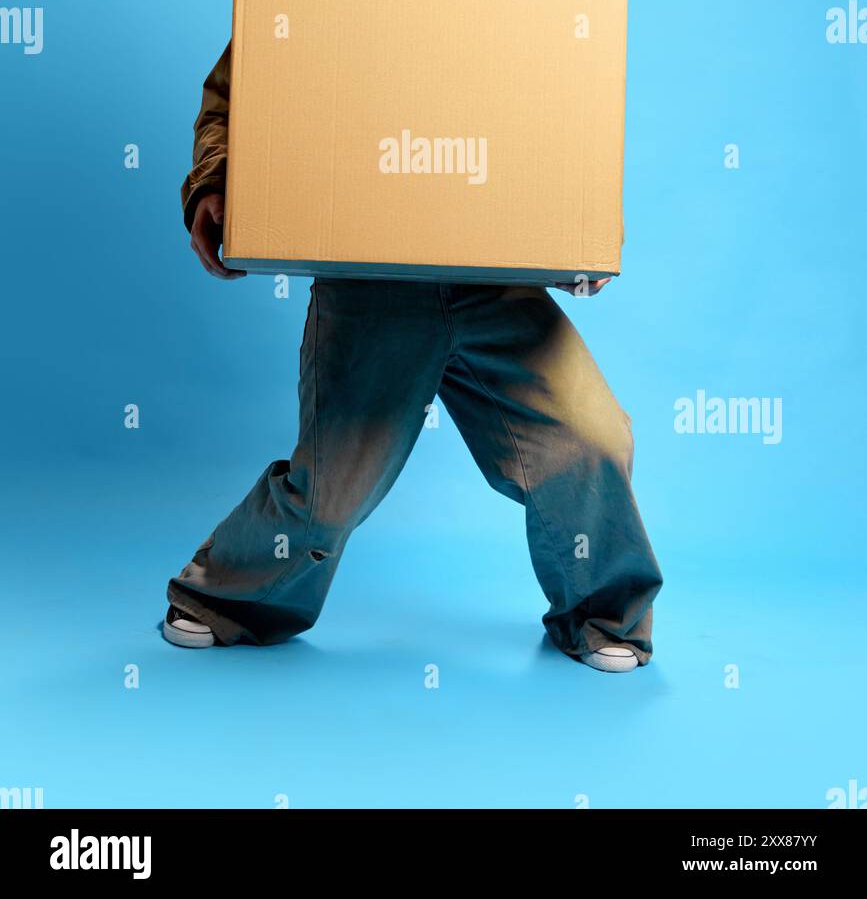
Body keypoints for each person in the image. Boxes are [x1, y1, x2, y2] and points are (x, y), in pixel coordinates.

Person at [163, 42, 663, 672]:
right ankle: (222, 596)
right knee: (328, 498)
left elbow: (564, 99)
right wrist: (213, 180)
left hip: (493, 273)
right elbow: (235, 94)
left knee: (593, 441)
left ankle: (603, 614)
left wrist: (575, 225)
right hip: (372, 276)